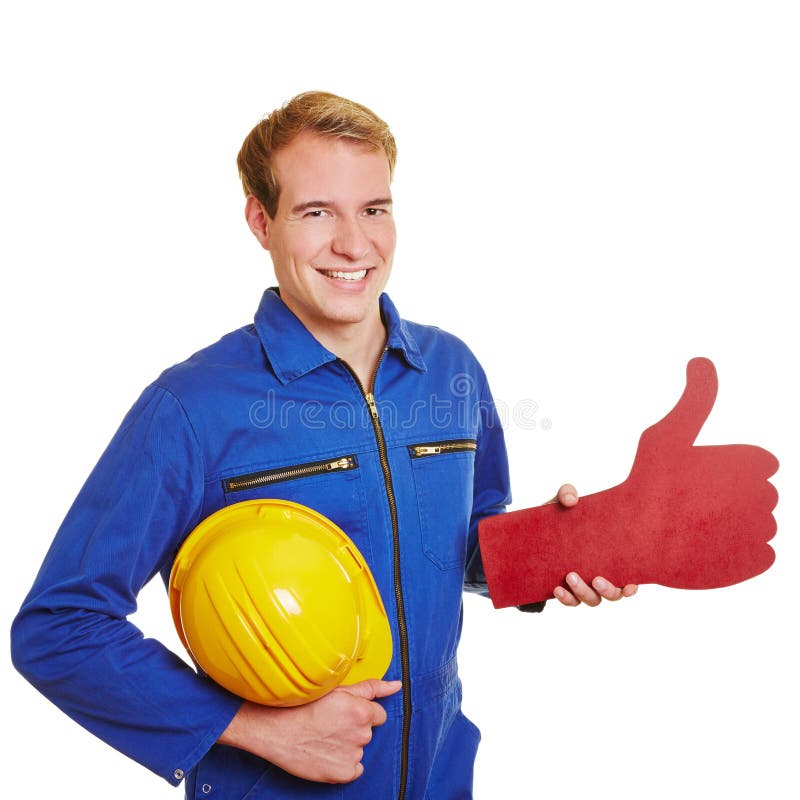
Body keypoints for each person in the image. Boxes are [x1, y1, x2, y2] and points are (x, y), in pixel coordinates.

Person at [11, 91, 636, 799]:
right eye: (317, 213)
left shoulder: (451, 371)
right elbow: (60, 627)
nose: (354, 244)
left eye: (374, 209)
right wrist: (253, 726)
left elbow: (463, 545)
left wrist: (560, 553)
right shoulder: (191, 408)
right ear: (261, 219)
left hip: (441, 779)